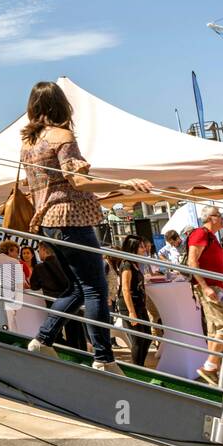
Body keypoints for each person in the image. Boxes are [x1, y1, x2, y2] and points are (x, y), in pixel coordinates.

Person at [19, 81, 153, 374]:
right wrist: (124, 184)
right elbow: (77, 181)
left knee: (78, 288)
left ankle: (43, 340)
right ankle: (104, 358)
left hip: (47, 223)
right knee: (95, 288)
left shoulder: (28, 145)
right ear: (61, 104)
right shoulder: (62, 136)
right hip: (70, 218)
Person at [188, 206, 223, 386]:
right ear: (210, 218)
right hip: (209, 286)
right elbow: (192, 261)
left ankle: (215, 370)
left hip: (216, 286)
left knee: (216, 329)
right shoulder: (200, 233)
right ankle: (210, 366)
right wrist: (205, 286)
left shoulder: (213, 237)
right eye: (220, 216)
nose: (222, 219)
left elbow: (219, 266)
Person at [28, 239, 87, 351]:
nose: (38, 253)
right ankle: (80, 354)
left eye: (39, 250)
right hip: (73, 301)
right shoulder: (66, 263)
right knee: (76, 333)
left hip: (54, 304)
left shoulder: (40, 267)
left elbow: (34, 286)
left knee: (55, 332)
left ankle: (62, 351)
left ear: (44, 250)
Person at [112, 235, 153, 366]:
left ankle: (140, 365)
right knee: (138, 340)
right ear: (133, 248)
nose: (144, 249)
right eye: (141, 246)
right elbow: (125, 289)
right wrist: (131, 312)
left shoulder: (135, 263)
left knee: (147, 337)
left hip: (139, 305)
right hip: (130, 306)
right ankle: (138, 368)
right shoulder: (127, 264)